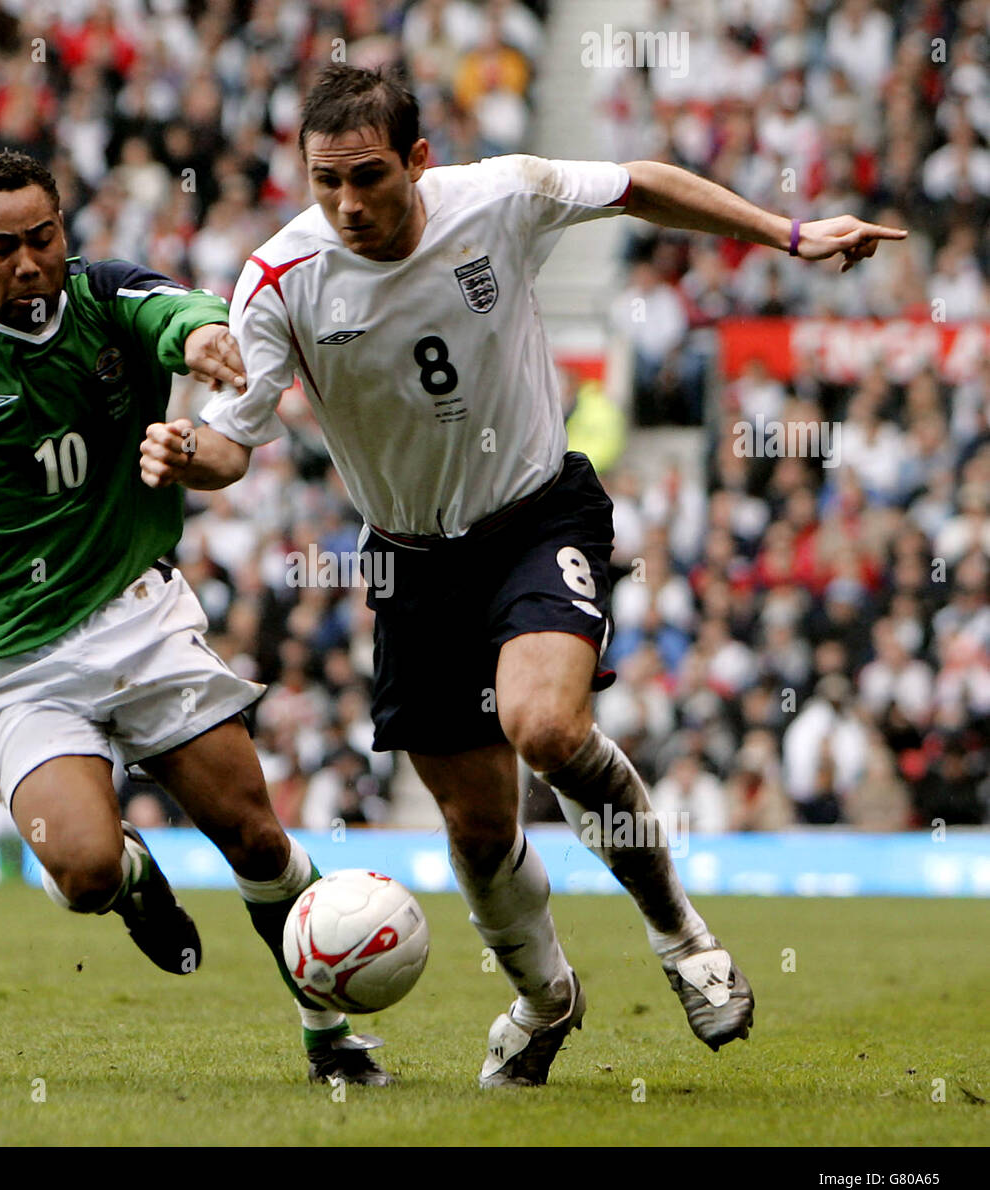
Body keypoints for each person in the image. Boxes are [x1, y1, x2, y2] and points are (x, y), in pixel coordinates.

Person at [140, 65, 906, 1087]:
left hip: (538, 515)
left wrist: (789, 234)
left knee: (545, 726)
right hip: (412, 561)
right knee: (477, 825)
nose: (347, 204)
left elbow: (637, 182)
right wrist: (193, 457)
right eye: (325, 181)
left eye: (369, 176)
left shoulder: (500, 197)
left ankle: (682, 938)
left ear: (419, 160)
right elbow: (236, 448)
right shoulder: (280, 280)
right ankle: (546, 1000)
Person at [0, 149, 389, 1087]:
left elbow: (175, 311)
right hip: (9, 661)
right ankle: (132, 882)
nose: (28, 263)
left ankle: (330, 1038)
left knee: (254, 834)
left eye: (43, 238)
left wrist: (205, 336)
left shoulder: (109, 294)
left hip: (133, 611)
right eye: (0, 246)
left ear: (63, 229)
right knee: (82, 870)